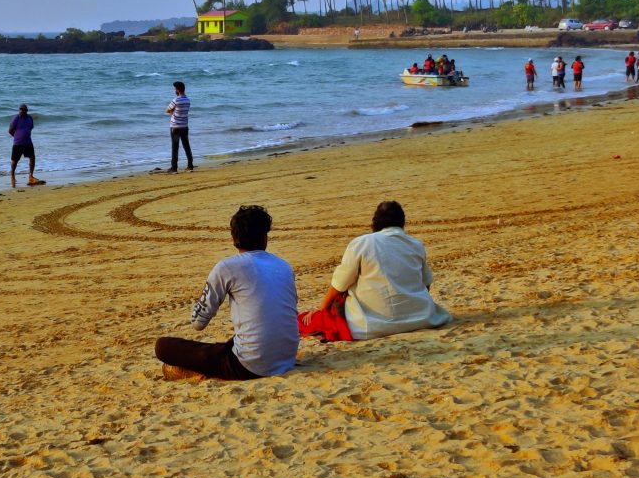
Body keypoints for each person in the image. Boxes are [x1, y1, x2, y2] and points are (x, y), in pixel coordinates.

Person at [155, 205, 299, 380]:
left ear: (234, 238)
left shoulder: (227, 267)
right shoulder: (283, 265)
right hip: (287, 358)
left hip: (251, 366)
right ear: (264, 237)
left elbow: (198, 322)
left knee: (162, 346)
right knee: (230, 344)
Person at [298, 201, 450, 342]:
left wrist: (321, 309)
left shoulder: (362, 243)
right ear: (402, 223)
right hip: (421, 318)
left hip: (370, 325)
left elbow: (339, 286)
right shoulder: (416, 244)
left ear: (375, 223)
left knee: (306, 320)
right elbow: (426, 286)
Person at [8, 104, 42, 187]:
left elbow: (30, 128)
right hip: (18, 143)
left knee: (32, 158)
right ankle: (12, 176)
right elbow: (10, 130)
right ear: (19, 110)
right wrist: (16, 136)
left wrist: (25, 135)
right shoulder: (16, 118)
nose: (22, 111)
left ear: (26, 110)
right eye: (20, 109)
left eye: (23, 109)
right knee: (14, 160)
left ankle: (31, 176)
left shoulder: (30, 118)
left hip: (28, 142)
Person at [166, 81, 193, 173]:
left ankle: (174, 168)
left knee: (175, 147)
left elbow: (168, 110)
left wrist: (173, 111)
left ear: (177, 90)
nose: (174, 90)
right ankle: (190, 166)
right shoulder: (187, 100)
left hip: (175, 126)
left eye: (175, 88)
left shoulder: (176, 100)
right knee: (186, 146)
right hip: (184, 126)